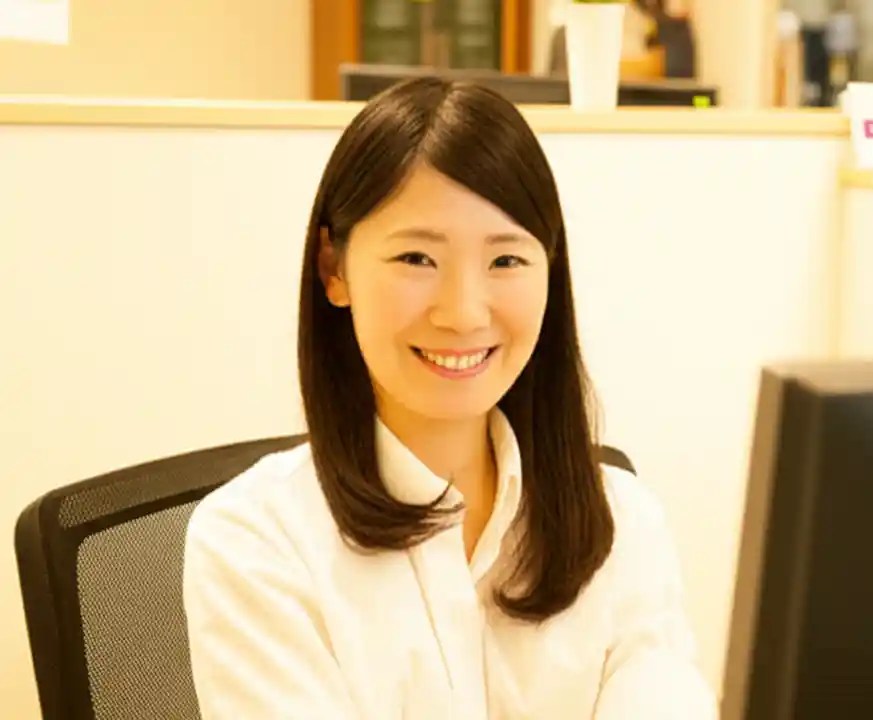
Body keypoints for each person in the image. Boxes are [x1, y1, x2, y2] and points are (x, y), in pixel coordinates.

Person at [182, 77, 715, 719]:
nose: (464, 313)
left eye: (506, 262)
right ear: (335, 268)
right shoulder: (256, 542)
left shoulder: (622, 523)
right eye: (416, 258)